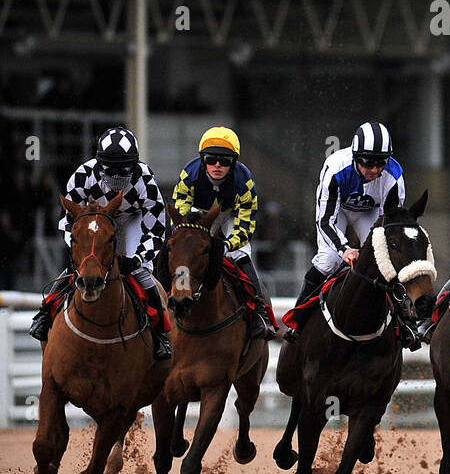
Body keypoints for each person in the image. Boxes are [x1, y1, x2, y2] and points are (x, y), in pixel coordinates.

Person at [28, 127, 171, 358]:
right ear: (99, 163)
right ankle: (44, 315)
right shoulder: (83, 175)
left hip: (133, 220)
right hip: (94, 222)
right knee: (80, 268)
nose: (116, 176)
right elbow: (67, 223)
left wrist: (136, 260)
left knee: (143, 274)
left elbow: (157, 230)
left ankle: (160, 334)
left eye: (123, 169)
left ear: (134, 165)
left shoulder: (146, 181)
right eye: (110, 169)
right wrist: (82, 254)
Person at [285, 122, 420, 348]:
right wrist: (344, 248)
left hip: (371, 213)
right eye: (368, 162)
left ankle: (405, 322)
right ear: (355, 156)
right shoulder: (336, 168)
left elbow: (391, 226)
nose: (374, 170)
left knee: (385, 261)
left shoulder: (394, 178)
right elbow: (325, 220)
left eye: (380, 163)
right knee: (329, 261)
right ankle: (298, 318)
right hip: (338, 212)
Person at [171, 126, 276, 339]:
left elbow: (245, 225)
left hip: (230, 215)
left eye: (225, 160)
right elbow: (179, 205)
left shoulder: (245, 181)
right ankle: (165, 301)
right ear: (203, 159)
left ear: (234, 162)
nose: (217, 165)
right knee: (183, 251)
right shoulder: (189, 174)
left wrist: (227, 245)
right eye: (211, 159)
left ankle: (259, 313)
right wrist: (189, 216)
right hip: (197, 214)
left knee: (240, 254)